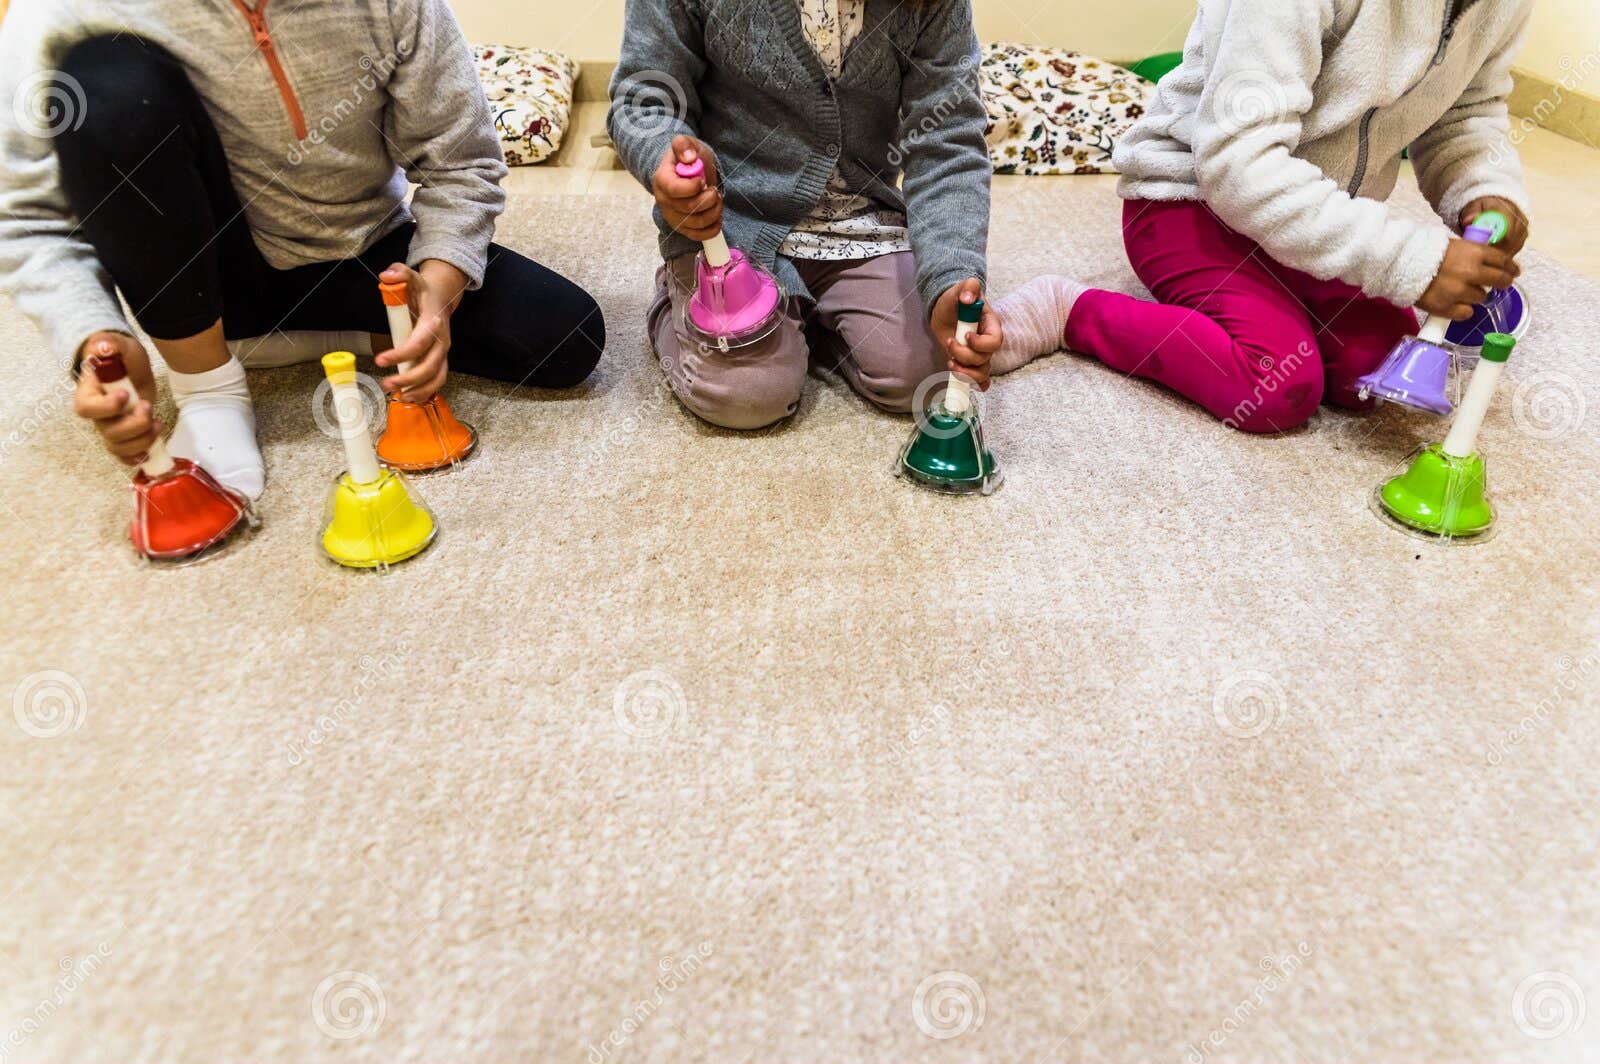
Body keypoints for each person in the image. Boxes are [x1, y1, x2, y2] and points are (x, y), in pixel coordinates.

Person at [0, 0, 605, 500]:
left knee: (566, 337)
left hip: (366, 251)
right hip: (204, 278)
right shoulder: (60, 11)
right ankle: (207, 382)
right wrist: (93, 336)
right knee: (104, 84)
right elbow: (26, 219)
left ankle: (312, 337)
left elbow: (463, 162)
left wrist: (437, 296)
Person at [993, 0, 1532, 434]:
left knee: (1376, 365)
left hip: (1313, 219)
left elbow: (1467, 111)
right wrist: (1408, 261)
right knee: (1277, 386)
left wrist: (1484, 189)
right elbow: (1238, 166)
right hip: (1191, 203)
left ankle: (1278, 299)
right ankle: (1070, 312)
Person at [608, 0, 1002, 431]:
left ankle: (810, 327)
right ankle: (678, 301)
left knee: (928, 380)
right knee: (749, 397)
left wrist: (948, 276)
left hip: (861, 223)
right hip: (730, 230)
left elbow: (947, 142)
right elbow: (644, 100)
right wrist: (664, 158)